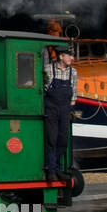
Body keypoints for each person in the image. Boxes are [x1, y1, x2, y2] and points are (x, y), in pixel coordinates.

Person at [44, 44, 77, 181]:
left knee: (63, 140)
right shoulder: (48, 69)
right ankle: (51, 170)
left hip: (65, 109)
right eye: (69, 55)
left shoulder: (73, 73)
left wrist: (68, 109)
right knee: (51, 139)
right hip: (51, 109)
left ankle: (57, 168)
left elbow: (73, 96)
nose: (72, 58)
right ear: (61, 56)